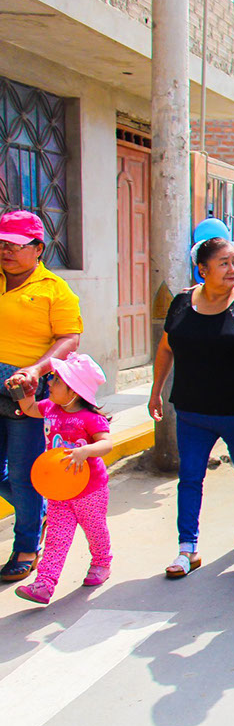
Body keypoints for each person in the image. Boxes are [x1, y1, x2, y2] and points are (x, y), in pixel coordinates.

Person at [150, 233, 234, 577]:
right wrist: (156, 390)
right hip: (191, 411)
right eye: (224, 263)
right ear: (202, 269)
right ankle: (187, 548)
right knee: (189, 478)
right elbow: (166, 348)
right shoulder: (182, 304)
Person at [0, 210, 82, 582]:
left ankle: (27, 546)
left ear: (37, 248)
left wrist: (35, 370)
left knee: (21, 471)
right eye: (1, 243)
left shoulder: (54, 289)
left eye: (15, 246)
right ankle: (41, 509)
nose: (6, 251)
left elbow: (69, 338)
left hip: (25, 387)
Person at [13, 354, 112, 604]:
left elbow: (106, 444)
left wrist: (85, 451)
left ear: (74, 392)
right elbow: (29, 408)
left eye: (57, 380)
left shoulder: (90, 419)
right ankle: (44, 584)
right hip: (58, 490)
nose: (50, 383)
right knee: (57, 537)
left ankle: (102, 562)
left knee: (95, 530)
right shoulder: (49, 407)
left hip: (90, 490)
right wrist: (21, 392)